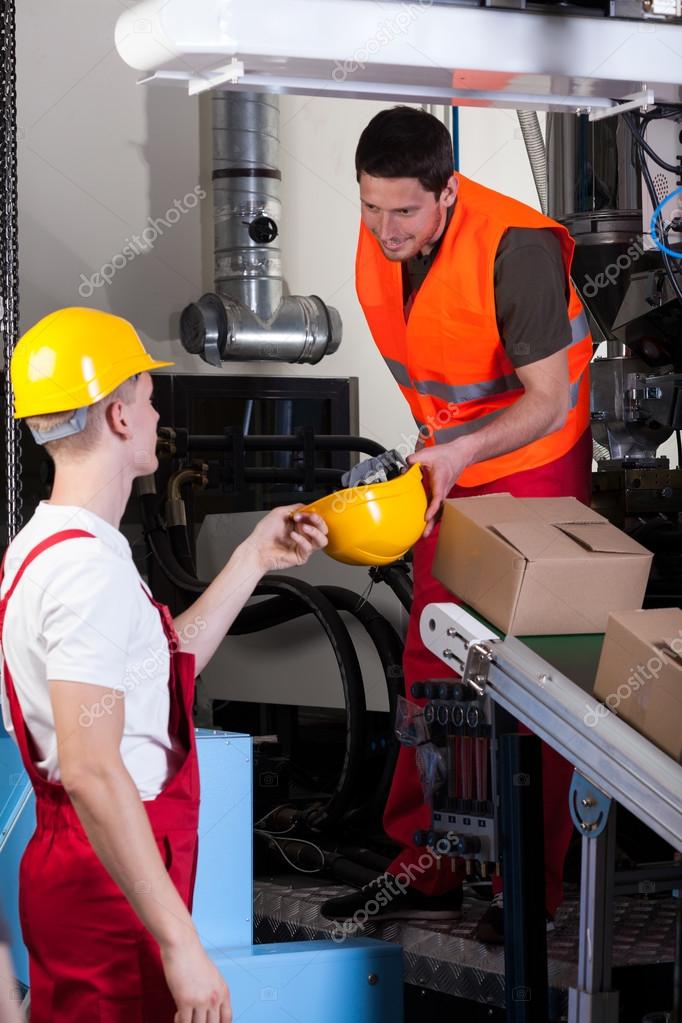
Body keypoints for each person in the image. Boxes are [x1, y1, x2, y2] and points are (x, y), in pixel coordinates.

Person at [0, 306, 328, 1022]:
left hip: (101, 872)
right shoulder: (85, 570)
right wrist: (181, 945)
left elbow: (157, 666)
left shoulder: (52, 547)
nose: (157, 417)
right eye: (149, 398)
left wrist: (252, 558)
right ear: (119, 417)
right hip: (110, 891)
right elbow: (91, 768)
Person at [321, 107, 592, 944]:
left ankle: (528, 887)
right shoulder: (388, 233)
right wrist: (439, 454)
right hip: (451, 463)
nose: (385, 228)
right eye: (371, 207)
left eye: (404, 210)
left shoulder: (517, 247)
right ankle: (427, 864)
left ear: (448, 190)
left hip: (537, 461)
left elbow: (546, 400)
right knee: (429, 657)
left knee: (532, 674)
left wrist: (458, 451)